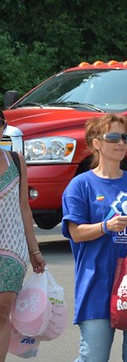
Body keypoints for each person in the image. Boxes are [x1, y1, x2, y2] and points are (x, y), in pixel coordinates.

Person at [61, 114, 127, 362]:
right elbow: (76, 233)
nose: (121, 142)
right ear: (95, 143)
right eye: (113, 137)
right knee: (93, 358)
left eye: (125, 137)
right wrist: (106, 226)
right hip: (96, 285)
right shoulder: (80, 185)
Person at [0, 109, 46, 361]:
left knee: (3, 310)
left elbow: (24, 208)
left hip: (11, 247)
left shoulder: (16, 161)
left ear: (3, 127)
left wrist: (34, 250)